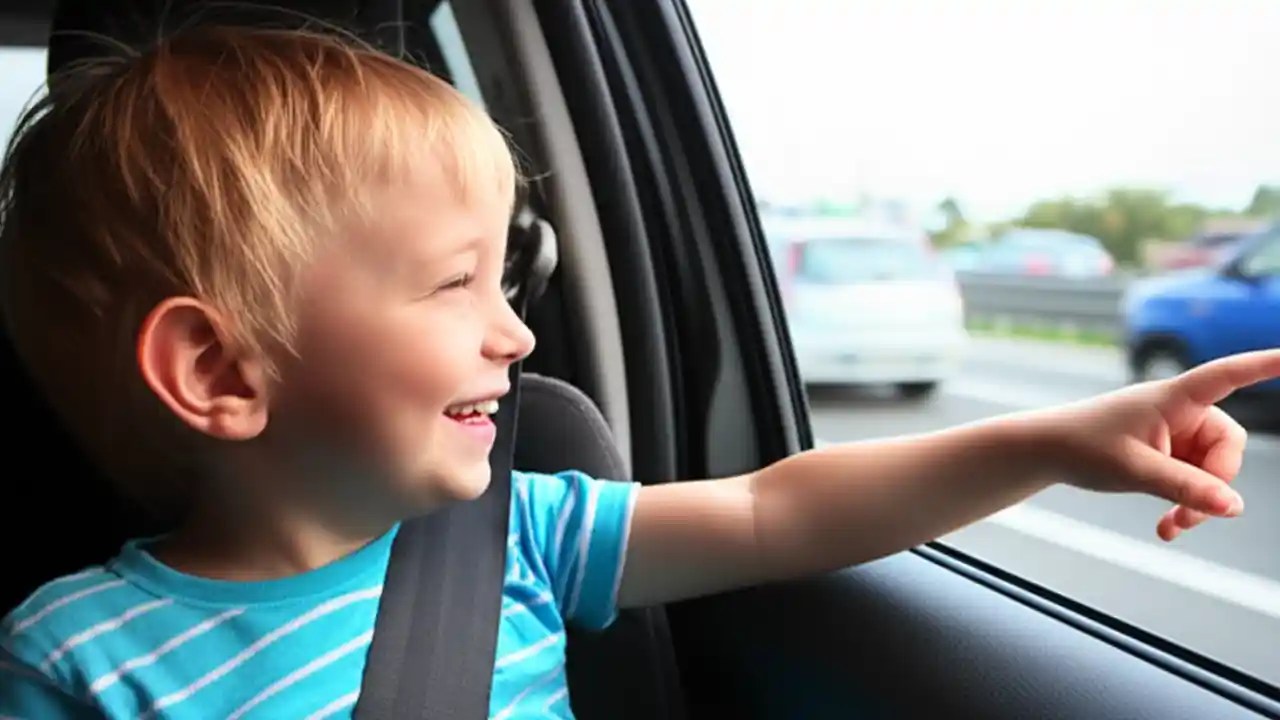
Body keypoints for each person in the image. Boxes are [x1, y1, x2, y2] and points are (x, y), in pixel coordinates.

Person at [0, 26, 1272, 719]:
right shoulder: (78, 656)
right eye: (455, 285)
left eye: (509, 279)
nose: (517, 334)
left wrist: (1049, 442)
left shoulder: (523, 537)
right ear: (219, 369)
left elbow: (782, 509)